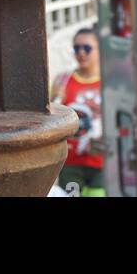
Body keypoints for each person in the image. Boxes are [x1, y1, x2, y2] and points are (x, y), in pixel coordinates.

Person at [51, 26, 104, 196]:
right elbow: (50, 119)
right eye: (77, 48)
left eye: (87, 48)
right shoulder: (62, 81)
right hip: (70, 164)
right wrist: (54, 100)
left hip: (101, 164)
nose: (81, 53)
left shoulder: (110, 81)